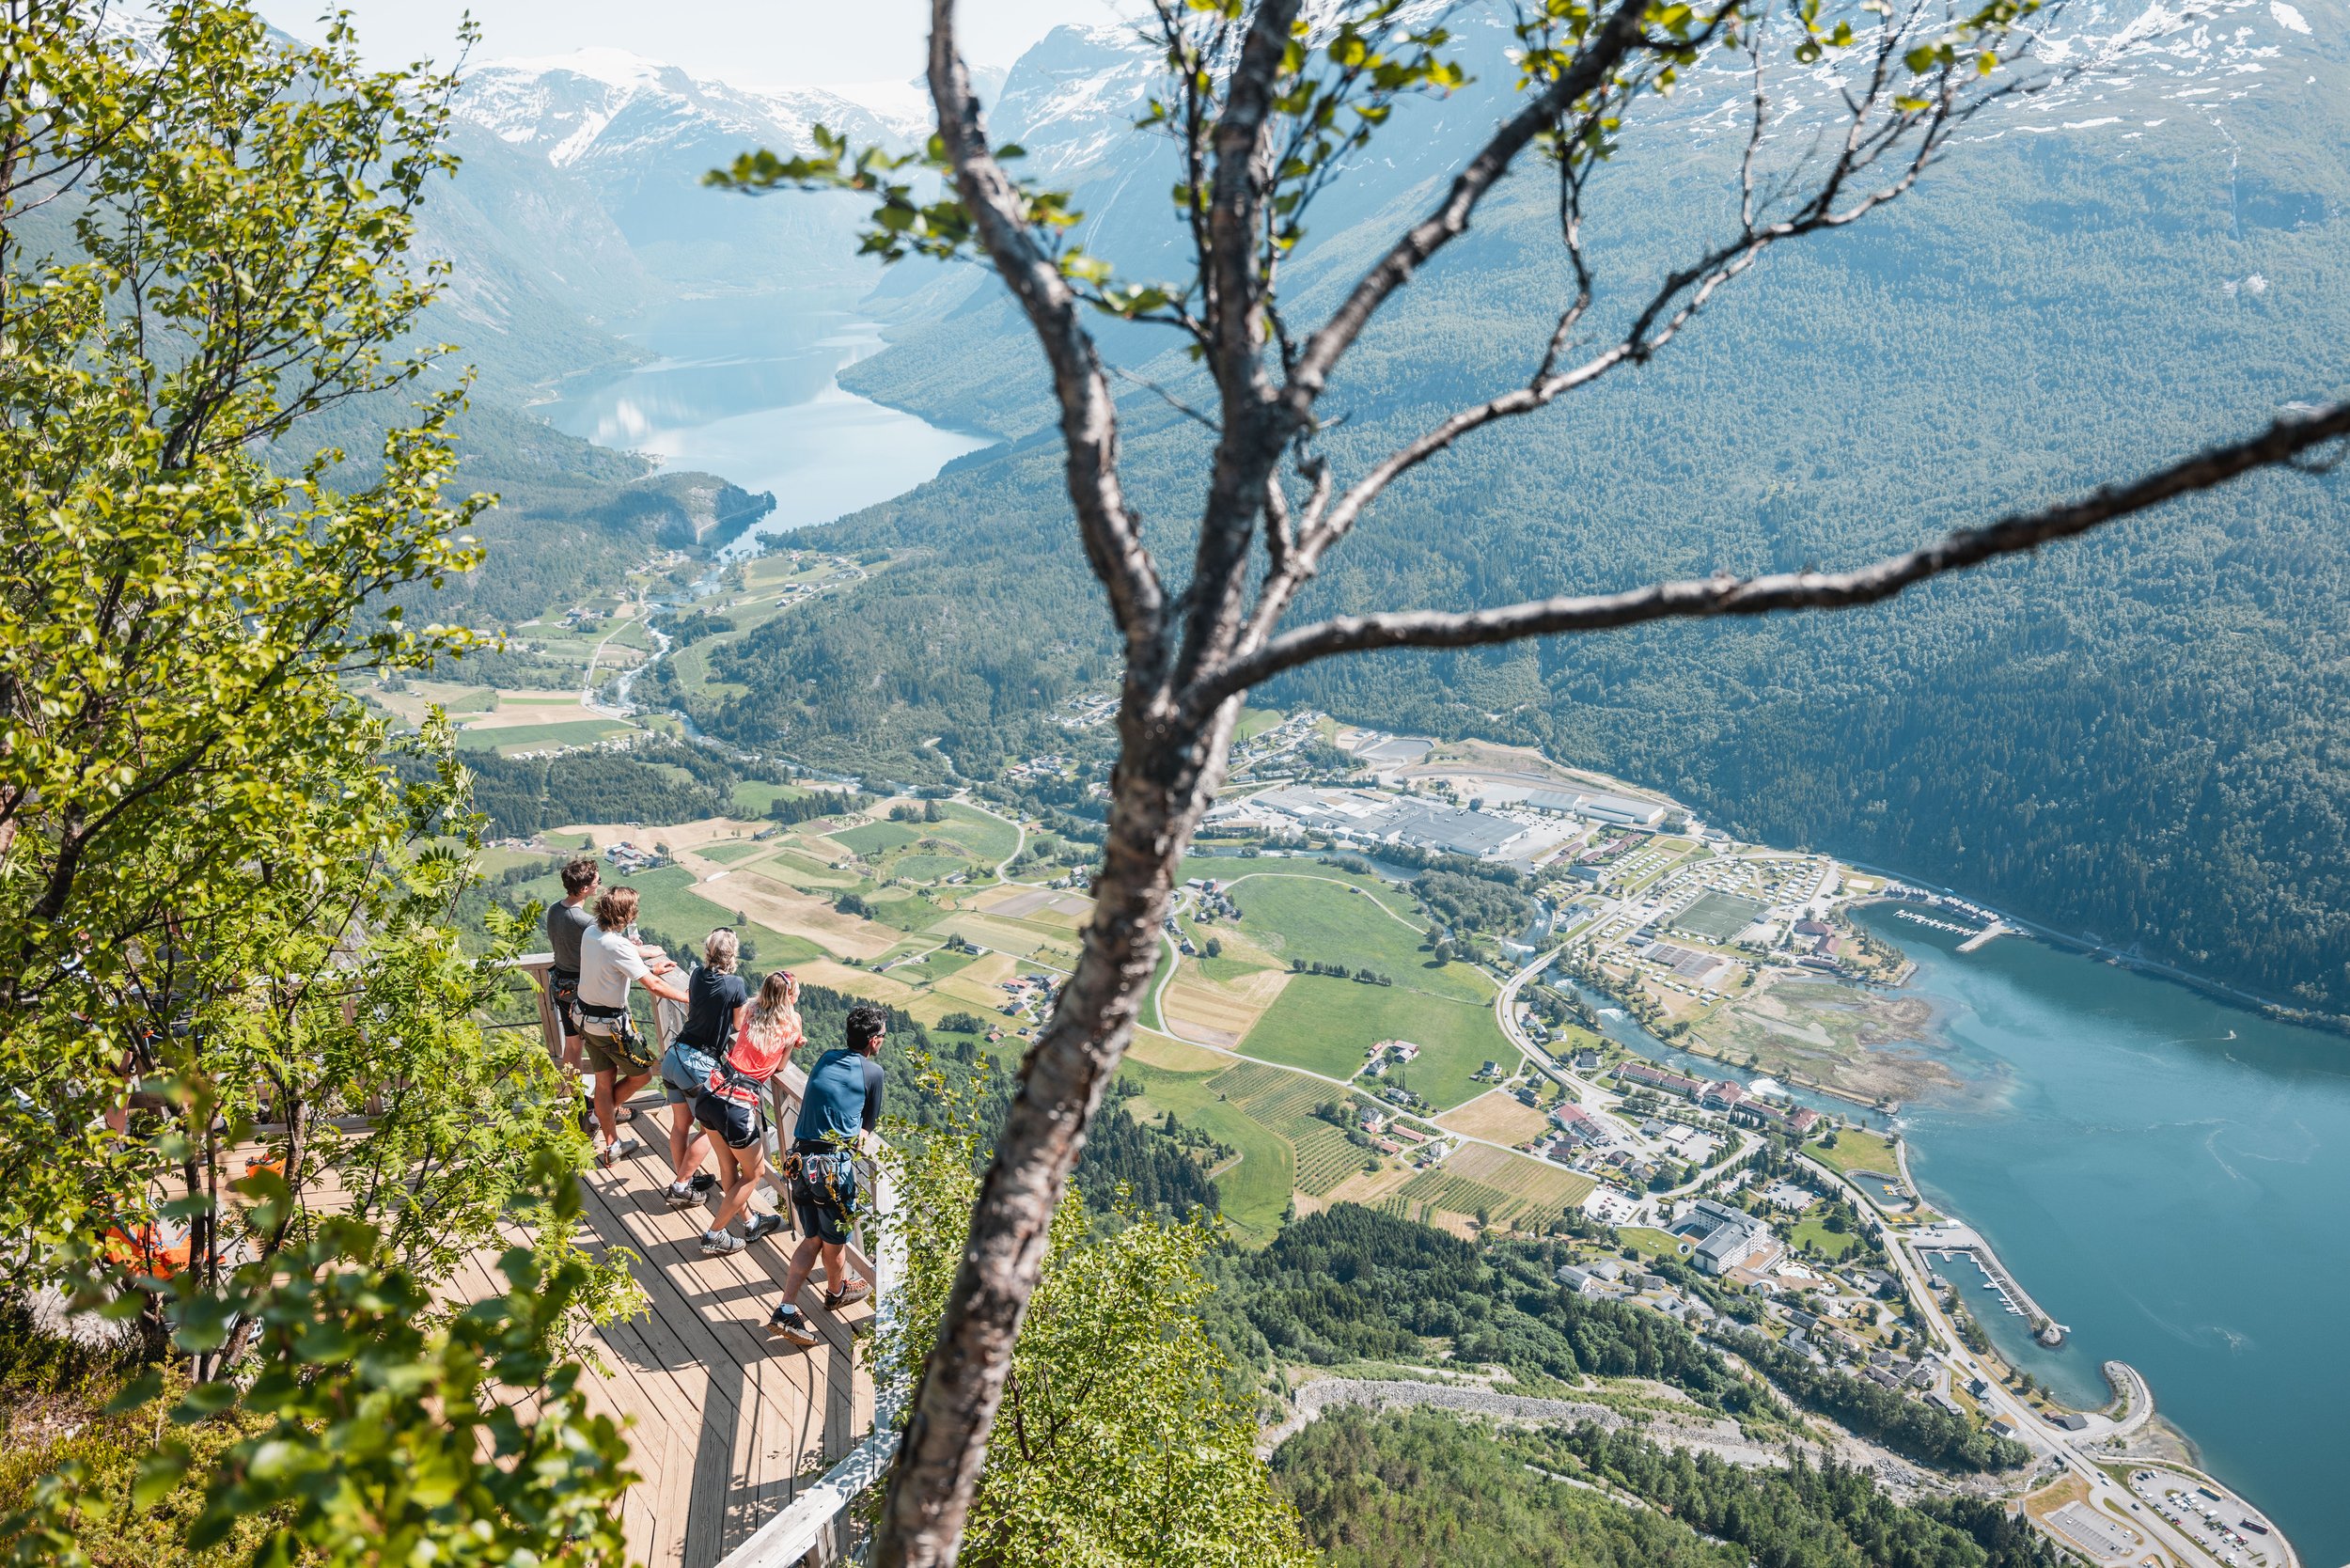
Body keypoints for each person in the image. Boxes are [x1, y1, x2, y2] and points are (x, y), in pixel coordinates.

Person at [767, 1002, 885, 1347]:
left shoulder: (826, 1058)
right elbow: (868, 1123)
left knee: (813, 1239)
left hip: (800, 1161)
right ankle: (833, 1293)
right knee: (834, 1243)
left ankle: (791, 1306)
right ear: (874, 1041)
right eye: (882, 1036)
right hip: (832, 1171)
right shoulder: (873, 1073)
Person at [692, 968, 804, 1256]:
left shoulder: (752, 1009)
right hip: (737, 1105)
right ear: (790, 996)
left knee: (728, 1166)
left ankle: (751, 1222)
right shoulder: (792, 1022)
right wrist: (793, 1041)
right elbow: (780, 1066)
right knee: (755, 1173)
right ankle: (714, 1233)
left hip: (712, 1090)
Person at [576, 886, 688, 1165]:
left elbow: (611, 963)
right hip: (610, 1027)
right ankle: (597, 1117)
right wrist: (690, 998)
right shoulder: (619, 945)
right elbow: (655, 987)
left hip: (586, 1019)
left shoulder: (591, 933)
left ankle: (610, 1140)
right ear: (626, 914)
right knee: (642, 1076)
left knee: (604, 1083)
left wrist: (646, 963)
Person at [658, 927, 750, 1209]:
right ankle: (681, 1185)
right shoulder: (735, 984)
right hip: (698, 1064)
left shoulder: (697, 974)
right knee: (712, 1129)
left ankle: (684, 1180)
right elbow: (738, 1024)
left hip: (675, 1054)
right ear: (732, 955)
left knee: (681, 1124)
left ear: (708, 952)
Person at [544, 857, 602, 1074]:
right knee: (599, 1043)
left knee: (573, 1044)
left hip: (560, 984)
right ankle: (604, 1094)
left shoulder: (554, 909)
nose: (599, 885)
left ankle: (572, 1092)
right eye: (597, 882)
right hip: (581, 990)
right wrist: (647, 952)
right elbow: (612, 946)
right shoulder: (584, 921)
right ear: (585, 889)